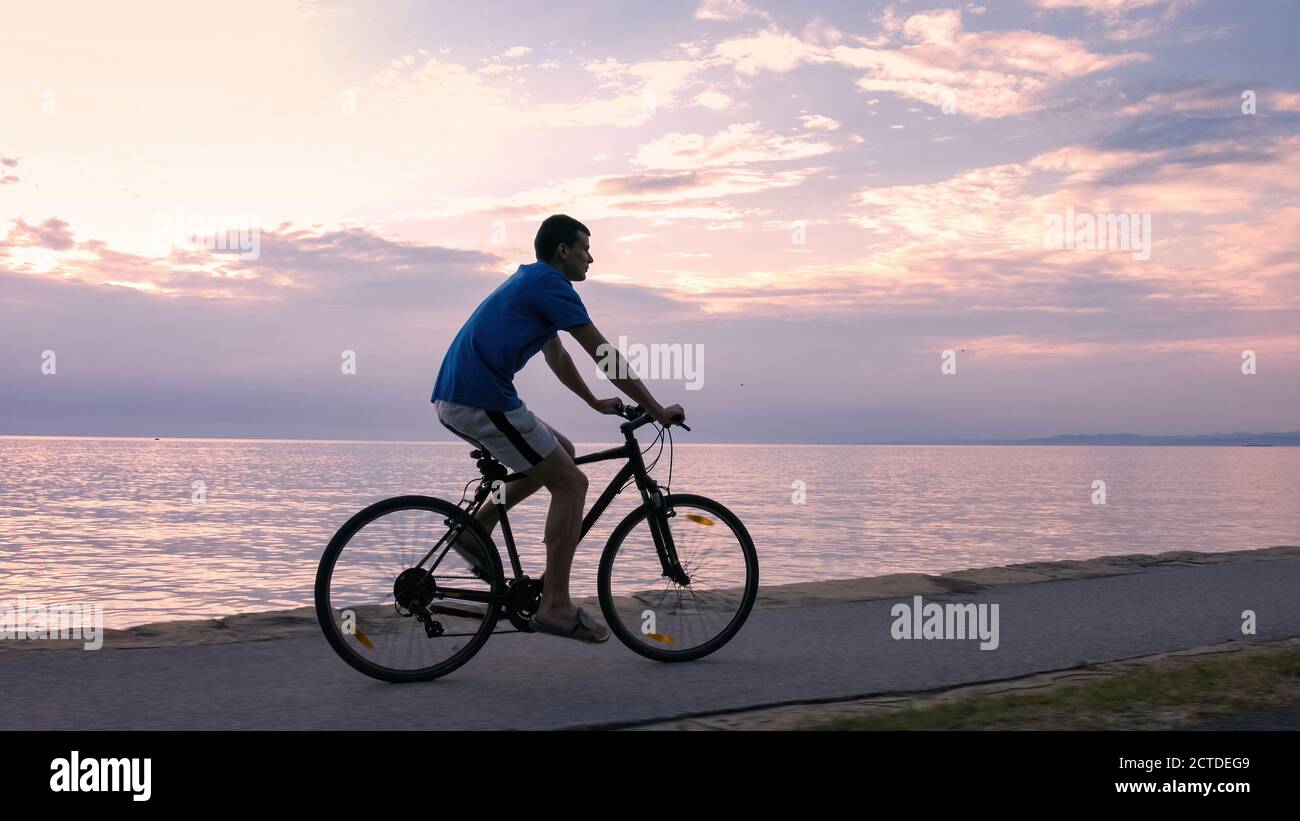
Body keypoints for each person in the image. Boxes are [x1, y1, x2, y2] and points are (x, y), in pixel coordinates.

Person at [431, 214, 685, 643]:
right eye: (585, 248)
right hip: (479, 400)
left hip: (468, 398)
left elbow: (559, 357)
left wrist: (594, 402)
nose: (591, 257)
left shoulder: (533, 284)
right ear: (562, 251)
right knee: (571, 485)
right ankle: (554, 606)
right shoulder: (551, 285)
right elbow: (603, 354)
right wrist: (656, 408)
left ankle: (477, 531)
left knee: (561, 452)